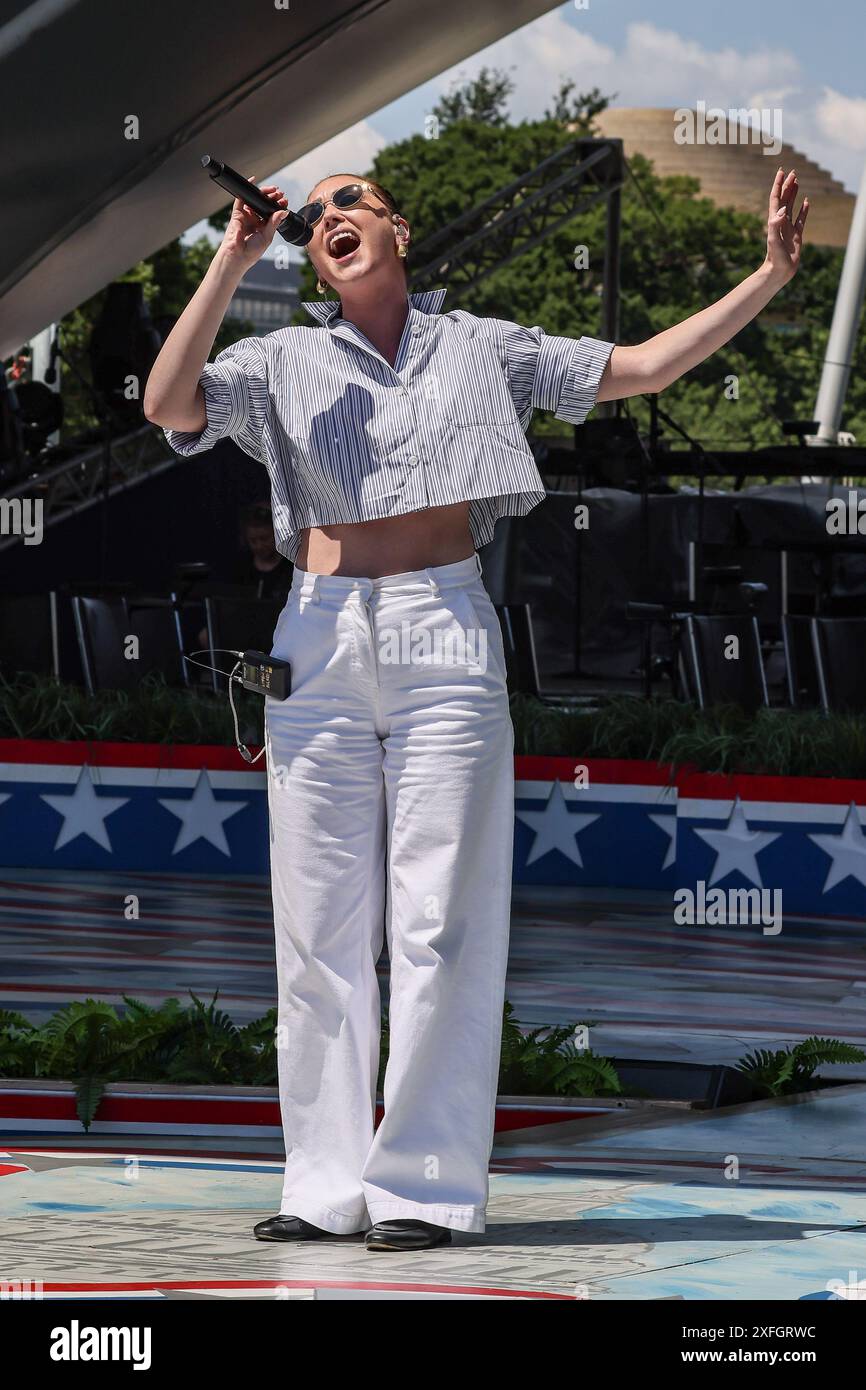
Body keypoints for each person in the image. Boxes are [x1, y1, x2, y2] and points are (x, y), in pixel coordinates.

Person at [144, 165, 808, 1252]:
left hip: (441, 630)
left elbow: (638, 367)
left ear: (399, 226)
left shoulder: (481, 346)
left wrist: (768, 274)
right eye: (318, 216)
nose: (333, 218)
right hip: (315, 635)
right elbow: (167, 402)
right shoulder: (281, 357)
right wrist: (231, 253)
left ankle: (421, 1187)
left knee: (437, 923)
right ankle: (322, 1184)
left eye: (353, 199)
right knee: (316, 930)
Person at [234, 501, 294, 601]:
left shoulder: (293, 567)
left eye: (264, 538)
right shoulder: (241, 568)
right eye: (253, 540)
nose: (259, 545)